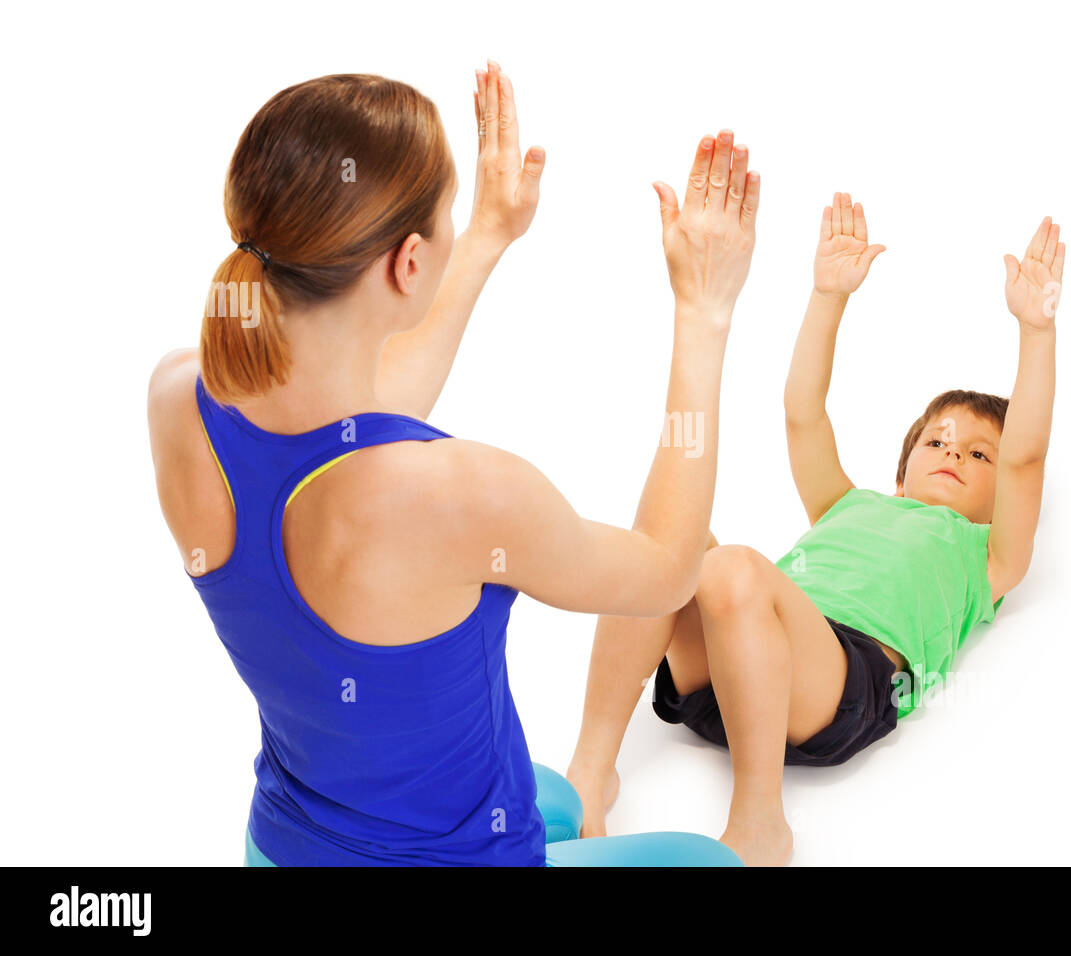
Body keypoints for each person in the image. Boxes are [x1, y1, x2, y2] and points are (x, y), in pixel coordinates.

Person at [146, 61, 759, 865]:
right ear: (405, 265)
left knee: (559, 799)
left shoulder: (178, 397)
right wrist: (703, 311)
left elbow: (351, 425)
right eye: (446, 218)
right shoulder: (470, 496)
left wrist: (482, 237)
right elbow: (670, 567)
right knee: (705, 861)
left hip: (284, 849)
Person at [565, 198, 1063, 866]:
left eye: (979, 455)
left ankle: (759, 820)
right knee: (671, 536)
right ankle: (591, 771)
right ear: (902, 467)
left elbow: (1027, 455)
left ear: (1003, 498)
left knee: (733, 568)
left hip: (838, 688)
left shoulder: (988, 555)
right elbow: (803, 413)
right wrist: (827, 296)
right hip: (726, 669)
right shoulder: (846, 503)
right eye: (939, 440)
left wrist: (1036, 332)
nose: (953, 453)